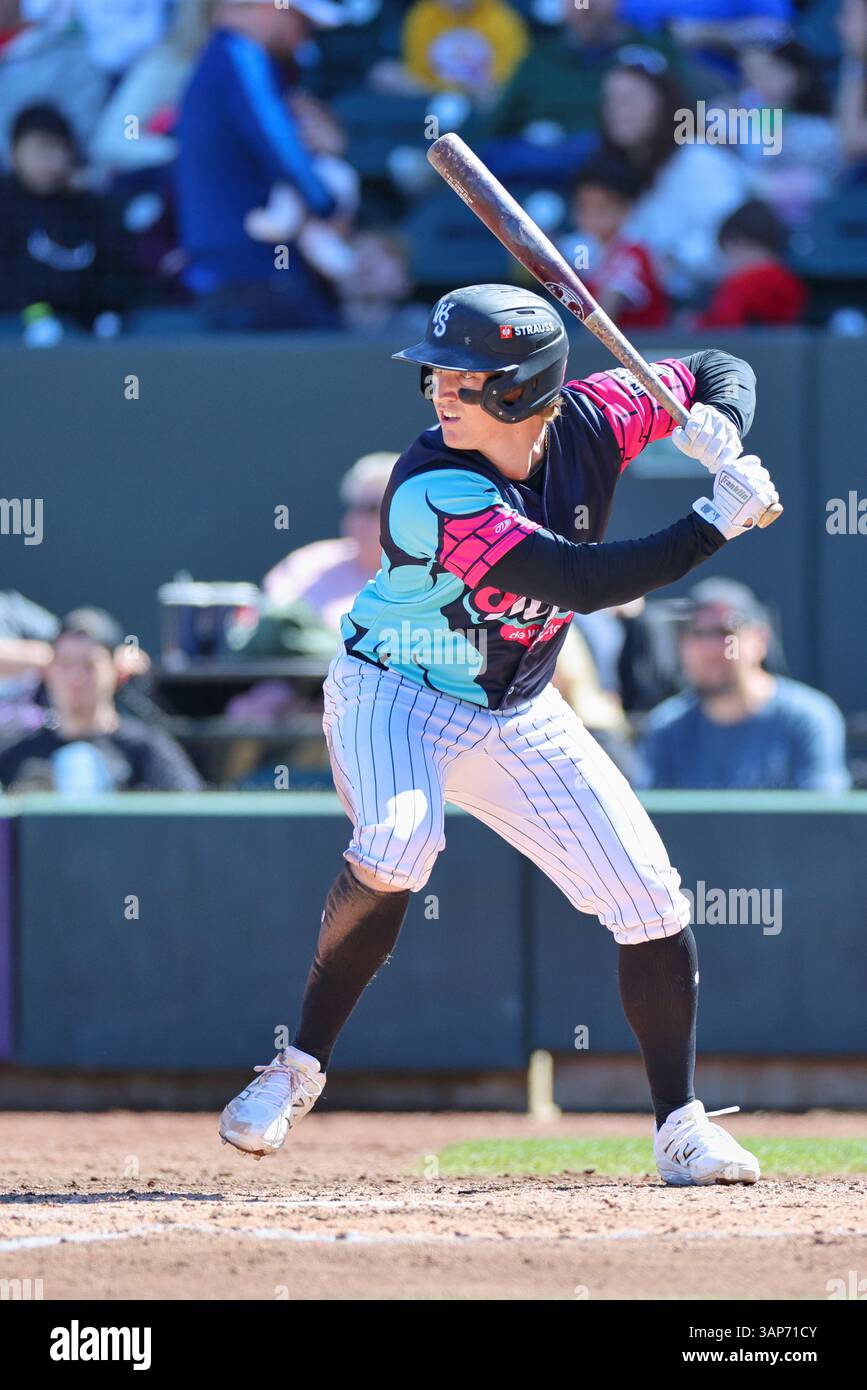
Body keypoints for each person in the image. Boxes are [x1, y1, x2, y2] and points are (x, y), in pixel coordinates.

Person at [219, 282, 781, 1187]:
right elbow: (579, 582)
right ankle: (297, 1069)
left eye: (468, 377)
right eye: (439, 373)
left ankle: (679, 1124)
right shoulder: (431, 486)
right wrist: (716, 517)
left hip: (515, 706)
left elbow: (722, 364)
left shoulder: (599, 414)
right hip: (393, 690)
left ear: (524, 390)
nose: (443, 391)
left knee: (650, 898)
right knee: (400, 842)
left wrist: (714, 420)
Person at [174, 0, 348, 331]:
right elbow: (278, 145)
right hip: (253, 268)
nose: (303, 41)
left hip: (232, 268)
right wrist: (327, 205)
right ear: (273, 8)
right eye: (303, 24)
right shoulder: (240, 56)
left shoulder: (222, 58)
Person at [638, 579, 850, 791]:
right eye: (697, 632)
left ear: (760, 640)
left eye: (725, 632)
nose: (710, 647)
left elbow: (821, 819)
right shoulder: (666, 727)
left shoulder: (807, 719)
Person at [0, 608, 202, 792]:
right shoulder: (18, 755)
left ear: (116, 671)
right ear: (49, 671)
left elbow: (191, 818)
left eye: (89, 665)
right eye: (66, 663)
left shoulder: (146, 750)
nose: (76, 677)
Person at [0, 103, 128, 337]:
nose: (50, 160)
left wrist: (106, 312)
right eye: (39, 149)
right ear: (14, 153)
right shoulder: (6, 207)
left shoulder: (92, 209)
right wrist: (35, 315)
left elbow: (114, 274)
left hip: (86, 335)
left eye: (59, 148)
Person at [562, 154, 668, 331]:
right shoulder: (587, 246)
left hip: (642, 349)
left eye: (600, 209)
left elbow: (608, 306)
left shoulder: (635, 253)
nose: (590, 217)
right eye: (584, 207)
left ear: (625, 209)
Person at [695, 199, 806, 328]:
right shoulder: (794, 284)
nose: (726, 263)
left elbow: (723, 330)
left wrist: (697, 323)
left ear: (739, 243)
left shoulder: (739, 286)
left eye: (726, 252)